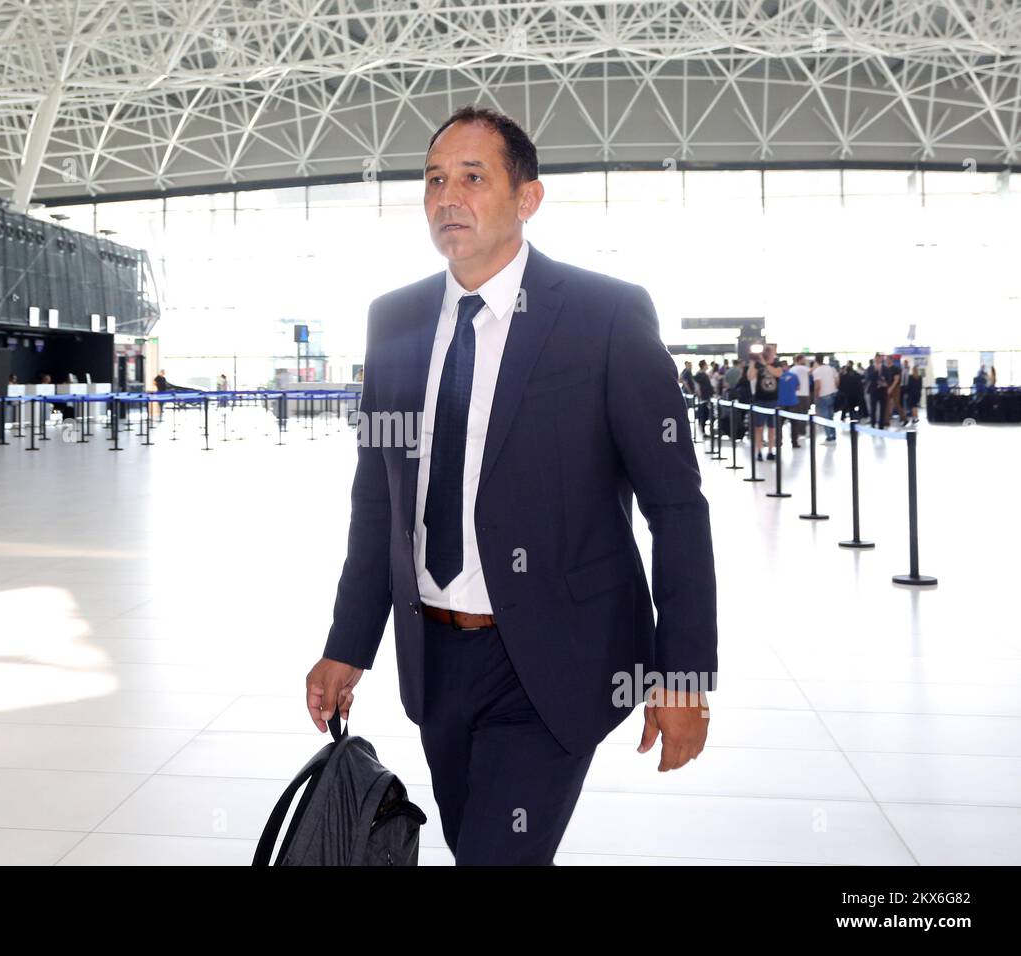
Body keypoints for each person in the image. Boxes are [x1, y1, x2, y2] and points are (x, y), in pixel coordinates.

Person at [307, 105, 716, 865]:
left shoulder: (603, 316)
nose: (446, 197)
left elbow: (676, 506)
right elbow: (379, 501)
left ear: (527, 199)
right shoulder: (394, 322)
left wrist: (683, 676)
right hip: (434, 656)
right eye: (433, 179)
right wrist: (348, 643)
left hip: (554, 661)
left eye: (472, 177)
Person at [748, 345, 780, 460]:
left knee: (772, 428)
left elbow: (778, 374)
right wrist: (752, 362)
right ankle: (759, 451)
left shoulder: (776, 363)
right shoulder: (757, 364)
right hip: (760, 400)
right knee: (759, 427)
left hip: (773, 400)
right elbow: (750, 377)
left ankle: (771, 451)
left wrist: (765, 364)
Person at [811, 353, 840, 442]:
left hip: (822, 395)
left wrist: (816, 396)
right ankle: (833, 434)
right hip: (833, 393)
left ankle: (829, 435)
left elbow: (817, 386)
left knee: (825, 416)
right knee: (831, 416)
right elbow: (837, 380)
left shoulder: (817, 371)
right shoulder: (831, 368)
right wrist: (834, 388)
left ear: (816, 360)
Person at [788, 353, 812, 447]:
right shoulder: (802, 368)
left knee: (797, 414)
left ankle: (797, 432)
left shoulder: (792, 369)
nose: (805, 361)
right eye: (804, 359)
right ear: (800, 360)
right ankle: (802, 431)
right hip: (803, 394)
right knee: (804, 412)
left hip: (795, 394)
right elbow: (812, 371)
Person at [864, 354, 887, 428]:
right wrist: (876, 371)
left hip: (883, 390)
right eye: (876, 359)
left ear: (881, 359)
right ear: (874, 359)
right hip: (873, 391)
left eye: (879, 359)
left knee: (883, 408)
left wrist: (885, 383)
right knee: (873, 408)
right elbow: (868, 378)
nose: (878, 360)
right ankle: (873, 423)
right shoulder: (870, 368)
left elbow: (889, 378)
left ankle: (881, 424)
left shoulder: (885, 368)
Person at [693, 360, 713, 438]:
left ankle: (704, 430)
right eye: (706, 364)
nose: (707, 366)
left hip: (706, 396)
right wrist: (699, 393)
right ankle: (703, 431)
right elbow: (697, 384)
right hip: (703, 397)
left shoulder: (704, 374)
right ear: (703, 365)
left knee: (706, 414)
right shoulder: (700, 374)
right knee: (704, 414)